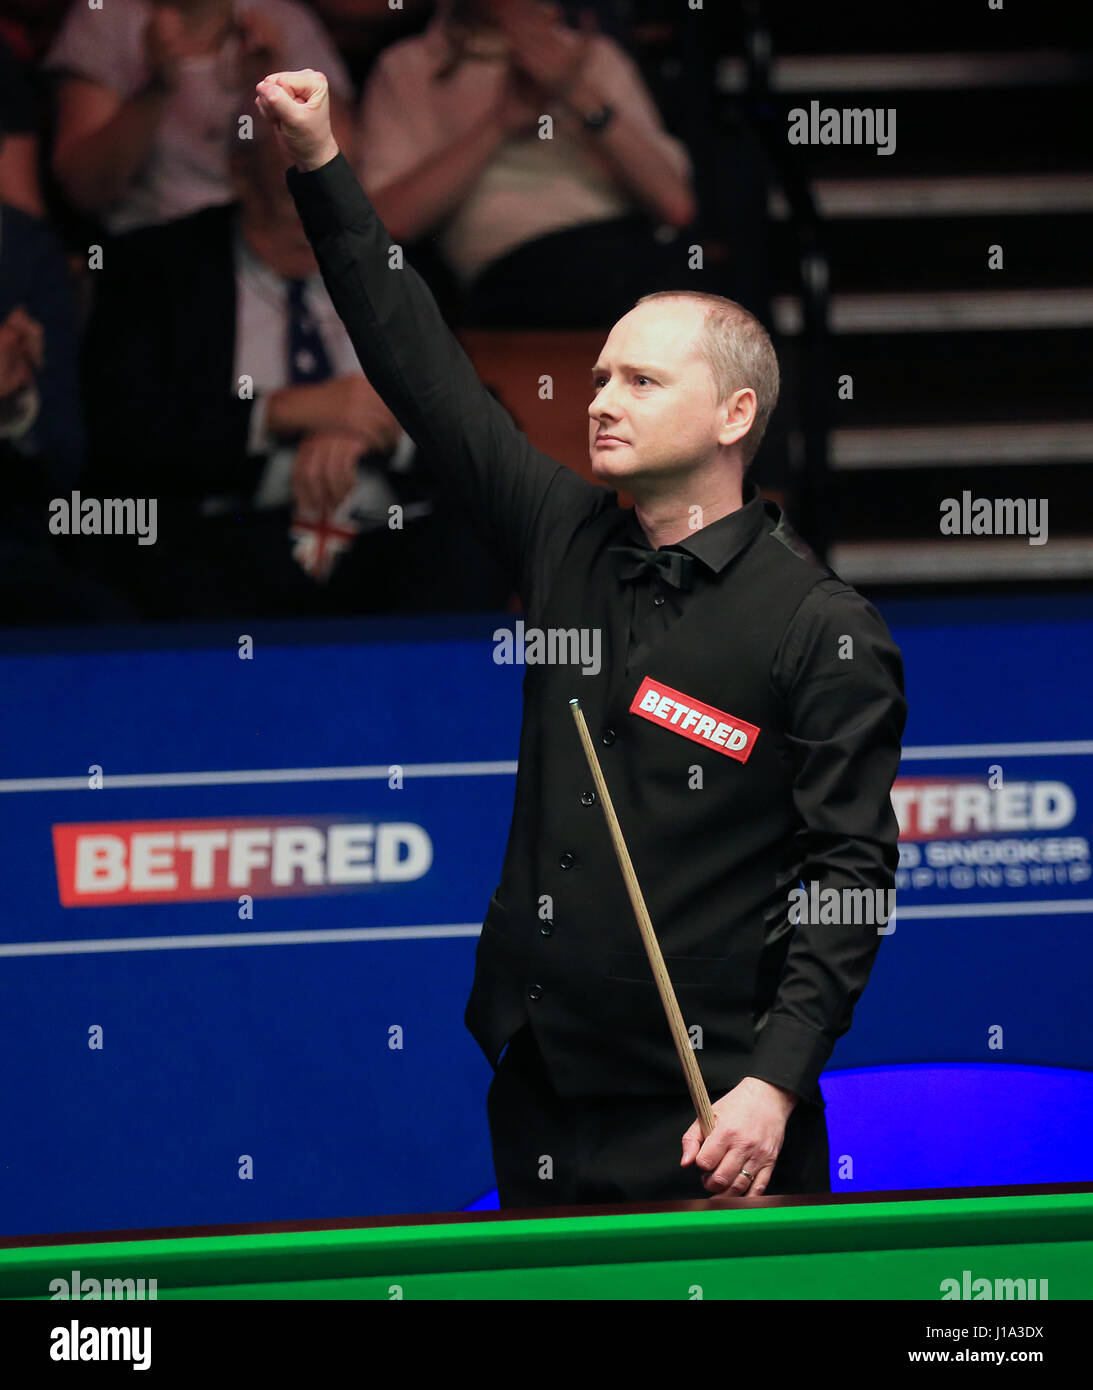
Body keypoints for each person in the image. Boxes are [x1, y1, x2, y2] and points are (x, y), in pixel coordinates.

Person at [255, 68, 907, 1205]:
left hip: (718, 1119)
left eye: (642, 380)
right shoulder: (562, 538)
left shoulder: (820, 627)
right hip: (546, 1093)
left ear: (733, 416)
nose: (600, 397)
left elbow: (847, 875)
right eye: (600, 374)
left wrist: (774, 1083)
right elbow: (418, 360)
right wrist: (319, 162)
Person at [76, 112, 509, 618]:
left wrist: (390, 426)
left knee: (472, 540)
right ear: (241, 172)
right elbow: (120, 432)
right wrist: (280, 413)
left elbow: (487, 429)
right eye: (300, 183)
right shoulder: (159, 269)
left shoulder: (404, 267)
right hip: (229, 535)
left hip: (391, 531)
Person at [357, 0, 698, 326]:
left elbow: (675, 205)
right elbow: (387, 222)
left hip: (630, 251)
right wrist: (500, 123)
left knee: (689, 288)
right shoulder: (409, 65)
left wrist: (575, 91)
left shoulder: (594, 55)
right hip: (514, 270)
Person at [44, 0, 355, 235]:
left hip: (256, 245)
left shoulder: (282, 21)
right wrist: (156, 87)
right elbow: (85, 192)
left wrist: (269, 92)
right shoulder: (105, 15)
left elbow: (334, 184)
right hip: (145, 242)